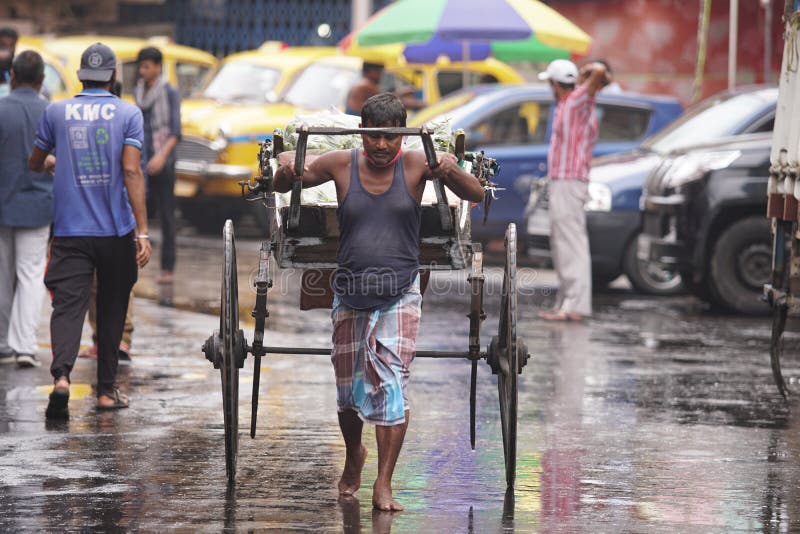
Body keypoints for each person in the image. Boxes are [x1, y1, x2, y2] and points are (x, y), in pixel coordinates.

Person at [274, 93, 484, 511]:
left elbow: (474, 192)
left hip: (400, 293)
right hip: (349, 292)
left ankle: (384, 482)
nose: (382, 146)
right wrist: (287, 171)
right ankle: (355, 455)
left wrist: (450, 170)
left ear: (402, 135)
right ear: (362, 133)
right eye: (374, 137)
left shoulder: (417, 163)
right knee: (348, 396)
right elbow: (287, 182)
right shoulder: (340, 163)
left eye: (390, 137)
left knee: (390, 384)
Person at [29, 42, 151, 419]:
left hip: (69, 230)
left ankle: (62, 378)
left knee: (67, 306)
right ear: (114, 76)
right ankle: (104, 392)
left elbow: (35, 161)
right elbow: (131, 171)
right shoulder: (129, 113)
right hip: (115, 231)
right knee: (112, 307)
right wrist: (142, 231)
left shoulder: (56, 111)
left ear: (81, 75)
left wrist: (54, 161)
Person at [537, 59, 610, 322]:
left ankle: (575, 306)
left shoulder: (577, 100)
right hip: (563, 181)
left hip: (570, 181)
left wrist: (584, 74)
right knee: (562, 244)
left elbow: (600, 71)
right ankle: (567, 303)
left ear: (555, 84)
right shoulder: (571, 103)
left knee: (571, 244)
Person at [0, 51, 52, 368]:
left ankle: (3, 343)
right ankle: (25, 346)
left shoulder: (0, 109)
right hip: (38, 206)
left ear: (12, 77)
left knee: (2, 277)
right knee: (31, 275)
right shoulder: (51, 112)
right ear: (42, 80)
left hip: (2, 207)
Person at [134, 46, 181, 284]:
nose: (143, 70)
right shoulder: (138, 91)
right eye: (140, 66)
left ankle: (167, 267)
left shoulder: (169, 92)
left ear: (158, 67)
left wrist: (161, 157)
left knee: (166, 215)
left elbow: (175, 131)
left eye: (147, 66)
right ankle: (136, 257)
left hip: (164, 160)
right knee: (138, 209)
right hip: (141, 160)